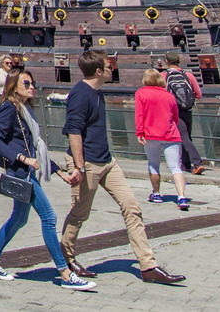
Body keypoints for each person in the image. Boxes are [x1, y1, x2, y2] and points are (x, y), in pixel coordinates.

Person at [61, 49, 186, 285]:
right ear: (99, 71)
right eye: (109, 66)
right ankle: (66, 260)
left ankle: (148, 266)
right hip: (87, 163)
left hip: (107, 161)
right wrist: (79, 167)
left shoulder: (97, 92)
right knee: (80, 213)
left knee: (132, 207)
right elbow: (73, 131)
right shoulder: (80, 94)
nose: (112, 69)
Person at [0, 69, 93, 290]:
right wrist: (22, 158)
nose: (32, 87)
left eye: (32, 83)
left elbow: (34, 146)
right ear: (13, 86)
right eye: (26, 83)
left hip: (27, 172)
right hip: (22, 172)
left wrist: (59, 172)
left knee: (19, 219)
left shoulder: (25, 110)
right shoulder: (9, 108)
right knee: (49, 217)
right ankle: (65, 273)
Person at [135, 69, 190, 211]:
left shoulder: (140, 93)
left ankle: (157, 194)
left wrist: (140, 132)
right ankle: (181, 197)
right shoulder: (169, 95)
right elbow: (175, 117)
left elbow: (139, 115)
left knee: (153, 164)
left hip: (150, 135)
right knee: (175, 167)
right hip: (170, 134)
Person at [162, 50, 206, 174]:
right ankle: (186, 165)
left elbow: (162, 94)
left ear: (166, 61)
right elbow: (199, 94)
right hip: (187, 110)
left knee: (183, 136)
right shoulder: (188, 75)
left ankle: (197, 163)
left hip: (174, 111)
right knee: (186, 136)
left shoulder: (164, 76)